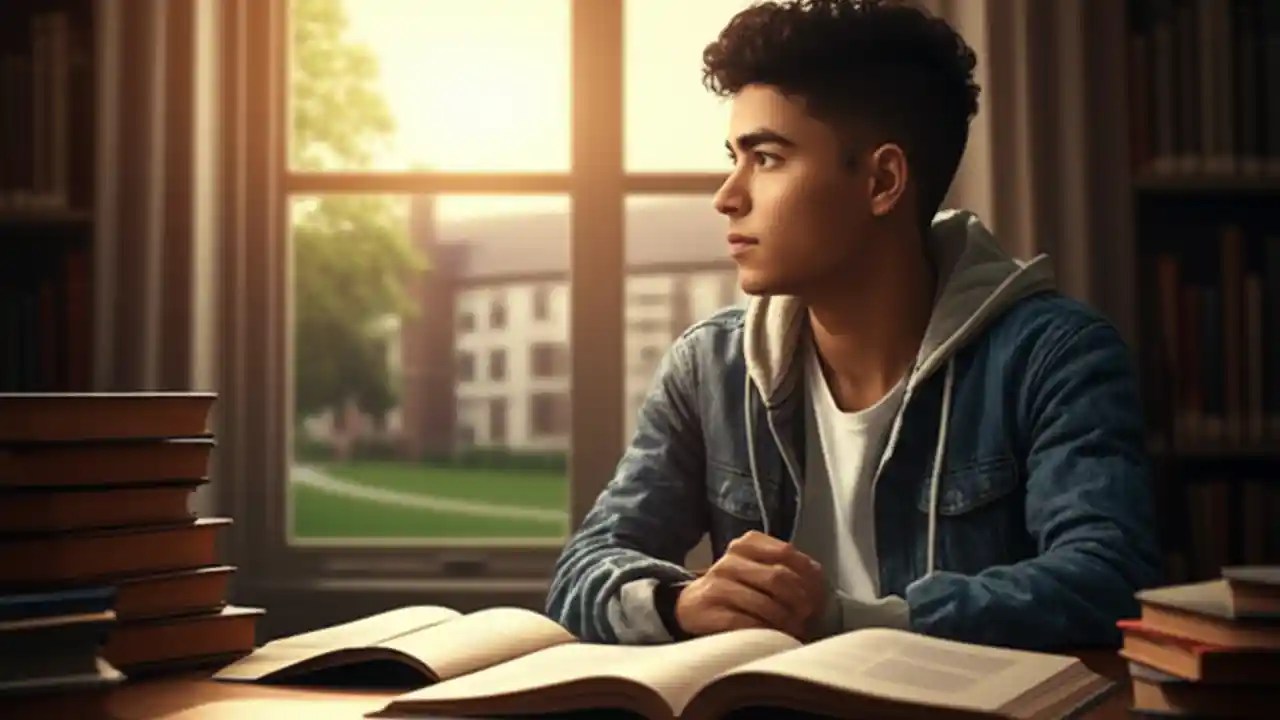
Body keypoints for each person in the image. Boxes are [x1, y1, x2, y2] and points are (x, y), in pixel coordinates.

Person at [546, 0, 1161, 649]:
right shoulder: (710, 368)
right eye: (734, 156)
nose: (728, 195)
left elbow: (1108, 582)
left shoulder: (1051, 356)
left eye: (768, 158)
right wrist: (680, 602)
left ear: (883, 181)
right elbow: (581, 570)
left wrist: (855, 622)